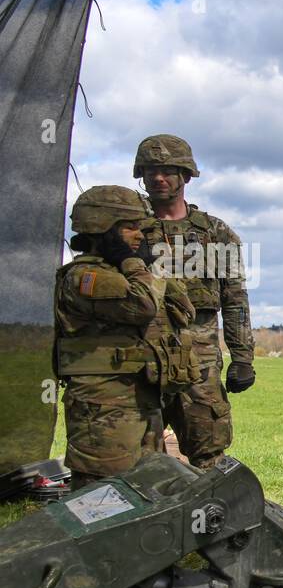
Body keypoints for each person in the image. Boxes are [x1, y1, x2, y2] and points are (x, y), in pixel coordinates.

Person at [54, 186, 198, 489]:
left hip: (140, 398)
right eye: (129, 227)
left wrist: (144, 268)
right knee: (102, 493)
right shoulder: (85, 277)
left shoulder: (126, 273)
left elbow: (184, 310)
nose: (139, 235)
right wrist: (133, 263)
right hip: (103, 405)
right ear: (102, 228)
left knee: (146, 489)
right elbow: (142, 306)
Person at [135, 134, 255, 468]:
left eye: (168, 171)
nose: (158, 178)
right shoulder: (127, 230)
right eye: (151, 171)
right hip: (140, 361)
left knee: (209, 457)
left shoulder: (215, 233)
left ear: (185, 175)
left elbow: (235, 300)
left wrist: (243, 358)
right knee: (138, 461)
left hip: (198, 364)